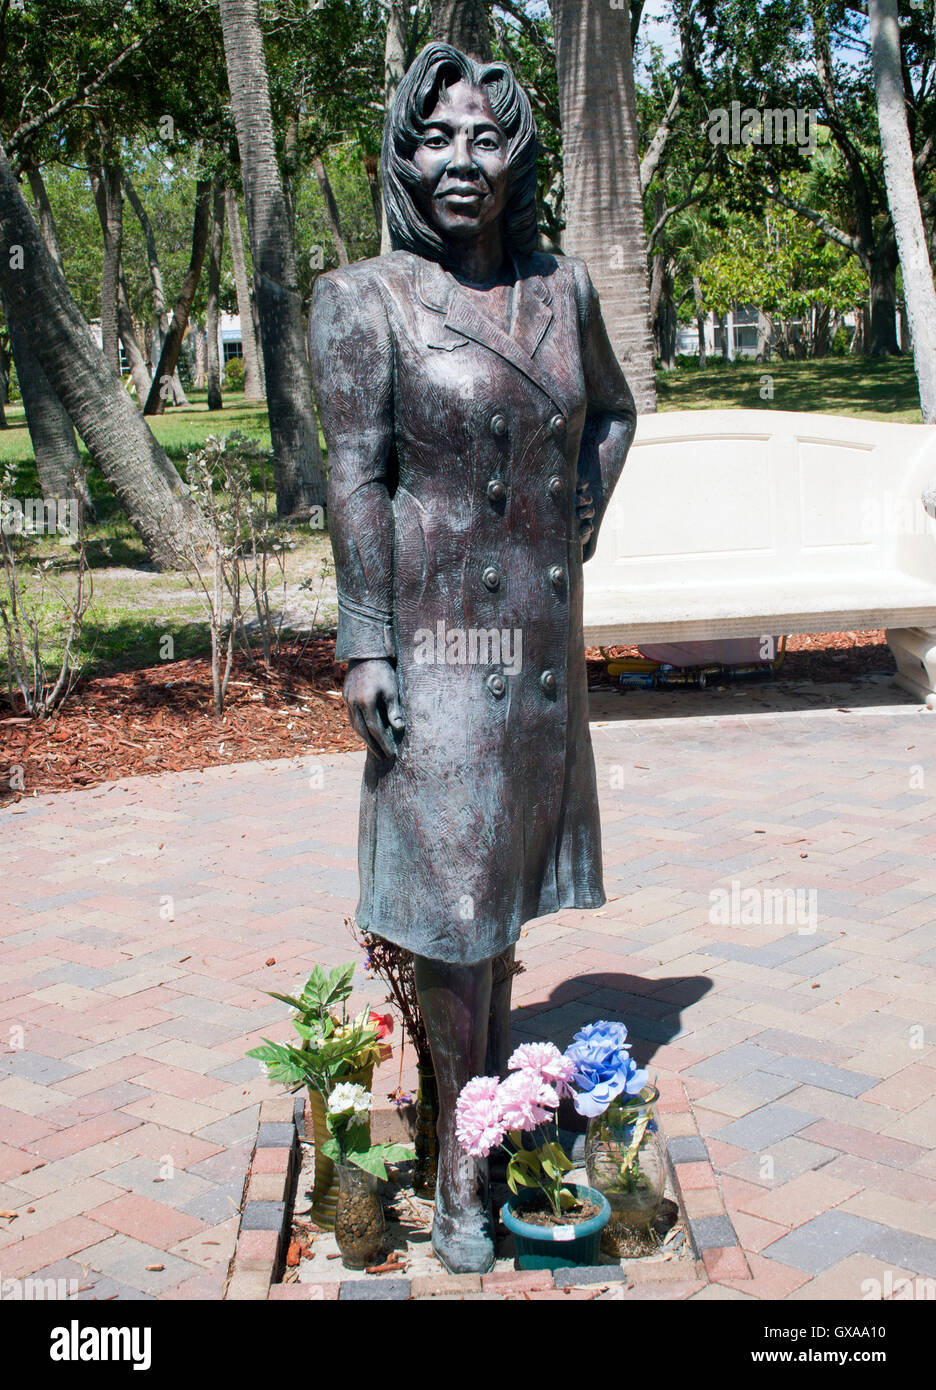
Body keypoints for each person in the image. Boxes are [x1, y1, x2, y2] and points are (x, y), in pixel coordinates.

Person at [309, 41, 636, 1273]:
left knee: (494, 890)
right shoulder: (366, 299)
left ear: (517, 159)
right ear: (405, 158)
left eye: (484, 139)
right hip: (438, 641)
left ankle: (484, 1104)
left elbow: (611, 412)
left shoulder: (566, 291)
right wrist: (366, 644)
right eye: (436, 139)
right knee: (449, 898)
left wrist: (579, 511)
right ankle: (460, 1148)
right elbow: (356, 472)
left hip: (536, 648)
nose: (461, 163)